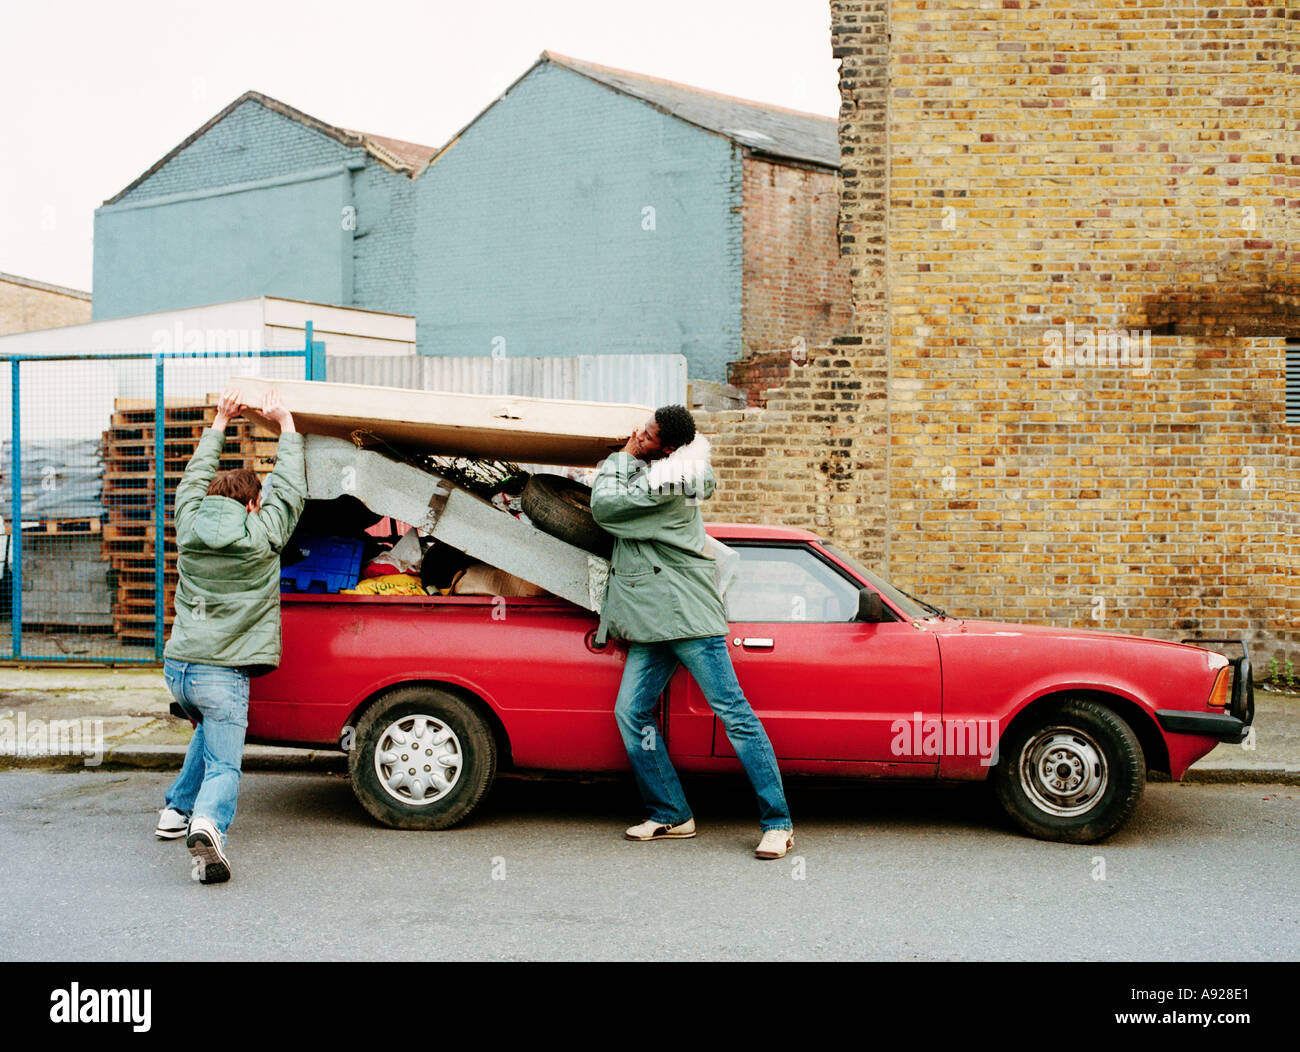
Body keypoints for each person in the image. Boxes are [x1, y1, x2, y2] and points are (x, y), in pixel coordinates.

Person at [591, 405, 794, 860]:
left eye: (647, 435)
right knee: (631, 713)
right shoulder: (662, 472)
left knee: (735, 715)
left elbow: (605, 507)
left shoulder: (670, 485)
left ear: (668, 448)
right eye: (641, 429)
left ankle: (778, 823)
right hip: (655, 620)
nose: (637, 435)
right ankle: (671, 813)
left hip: (686, 617)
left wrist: (623, 456)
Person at [153, 387, 306, 884]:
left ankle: (176, 811)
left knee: (208, 729)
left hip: (179, 669)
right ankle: (208, 827)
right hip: (222, 676)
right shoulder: (264, 538)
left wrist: (220, 421)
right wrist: (287, 426)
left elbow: (194, 475)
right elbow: (290, 488)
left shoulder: (188, 521)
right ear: (253, 502)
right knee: (225, 764)